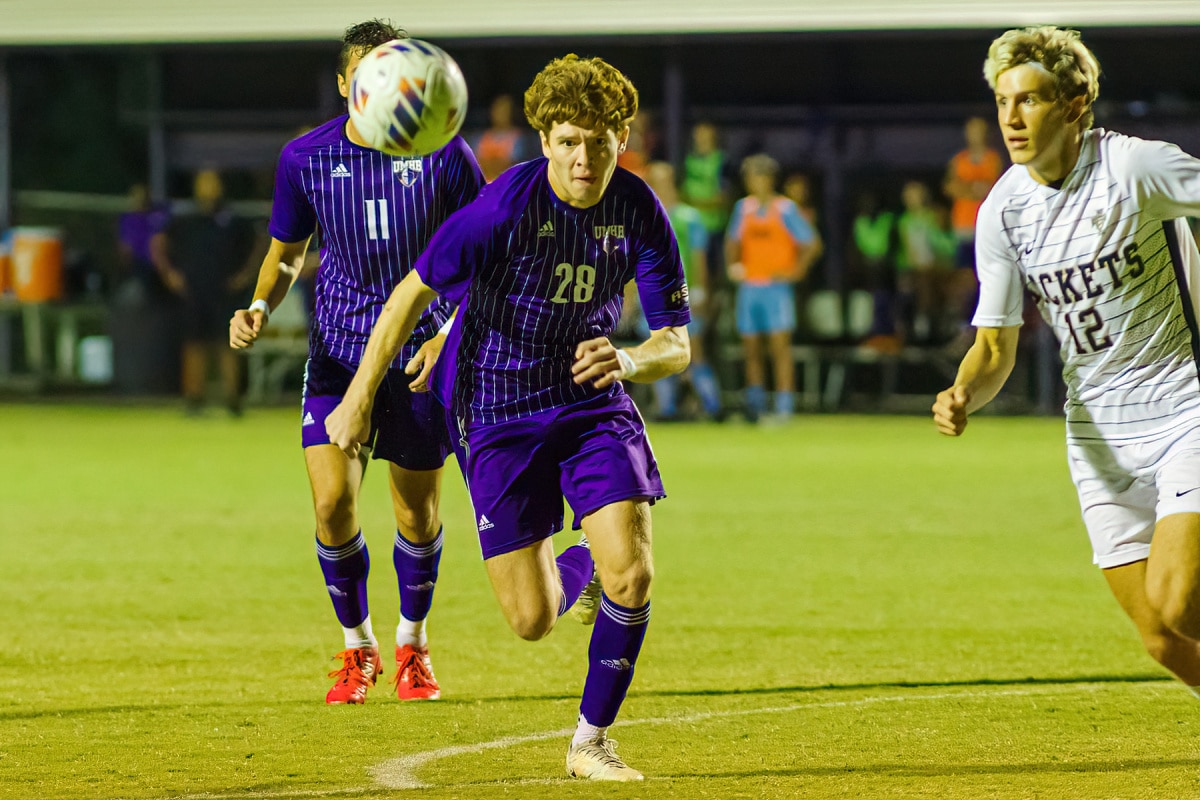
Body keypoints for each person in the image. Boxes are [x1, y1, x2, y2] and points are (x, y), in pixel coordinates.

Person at [325, 54, 691, 781]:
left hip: (591, 404)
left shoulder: (640, 210)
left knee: (636, 574)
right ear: (544, 140)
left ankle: (590, 740)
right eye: (567, 141)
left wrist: (629, 361)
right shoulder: (502, 207)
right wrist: (359, 395)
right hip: (495, 408)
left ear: (625, 136)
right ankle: (577, 568)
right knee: (530, 619)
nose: (584, 158)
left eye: (599, 140)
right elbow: (407, 297)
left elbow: (676, 342)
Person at [933, 25, 1200, 694]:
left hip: (1185, 410)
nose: (1012, 118)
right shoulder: (1004, 209)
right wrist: (964, 390)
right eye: (1002, 101)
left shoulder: (1137, 168)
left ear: (1076, 102)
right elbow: (995, 347)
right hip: (1099, 440)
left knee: (1179, 602)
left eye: (1029, 100)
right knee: (1162, 638)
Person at [228, 19, 485, 705]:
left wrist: (449, 333)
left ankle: (413, 642)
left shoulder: (448, 154)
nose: (379, 81)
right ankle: (357, 646)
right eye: (365, 71)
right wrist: (260, 303)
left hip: (420, 358)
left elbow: (482, 262)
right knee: (332, 502)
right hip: (339, 352)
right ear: (346, 83)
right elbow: (286, 253)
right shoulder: (305, 158)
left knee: (417, 516)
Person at [151, 168, 256, 415]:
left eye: (212, 183)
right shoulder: (185, 220)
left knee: (229, 343)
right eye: (204, 183)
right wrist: (169, 274)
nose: (208, 189)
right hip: (194, 291)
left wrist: (245, 276)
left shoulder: (233, 221)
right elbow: (158, 244)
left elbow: (259, 246)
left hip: (225, 291)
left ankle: (233, 399)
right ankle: (194, 399)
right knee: (194, 344)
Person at [725, 153, 816, 422]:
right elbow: (732, 242)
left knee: (779, 348)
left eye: (759, 176)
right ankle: (756, 405)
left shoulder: (785, 209)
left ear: (770, 179)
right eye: (751, 177)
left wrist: (794, 272)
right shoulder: (743, 209)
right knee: (751, 348)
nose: (755, 182)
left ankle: (784, 405)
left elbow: (811, 243)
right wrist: (734, 266)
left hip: (776, 290)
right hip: (750, 287)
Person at [644, 160, 723, 420]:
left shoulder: (689, 218)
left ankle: (712, 406)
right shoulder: (643, 218)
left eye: (664, 181)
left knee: (694, 350)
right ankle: (667, 409)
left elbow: (699, 259)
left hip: (682, 293)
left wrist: (700, 291)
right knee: (658, 352)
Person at [943, 116, 1004, 349]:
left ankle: (984, 327)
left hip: (985, 228)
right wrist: (973, 189)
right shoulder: (959, 161)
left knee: (984, 279)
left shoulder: (992, 159)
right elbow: (951, 186)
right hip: (963, 227)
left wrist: (969, 188)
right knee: (963, 279)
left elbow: (993, 187)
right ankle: (962, 326)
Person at [473, 94, 528, 183]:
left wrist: (488, 163)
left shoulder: (518, 137)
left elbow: (511, 166)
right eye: (498, 110)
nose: (500, 114)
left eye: (504, 111)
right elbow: (475, 165)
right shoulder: (481, 137)